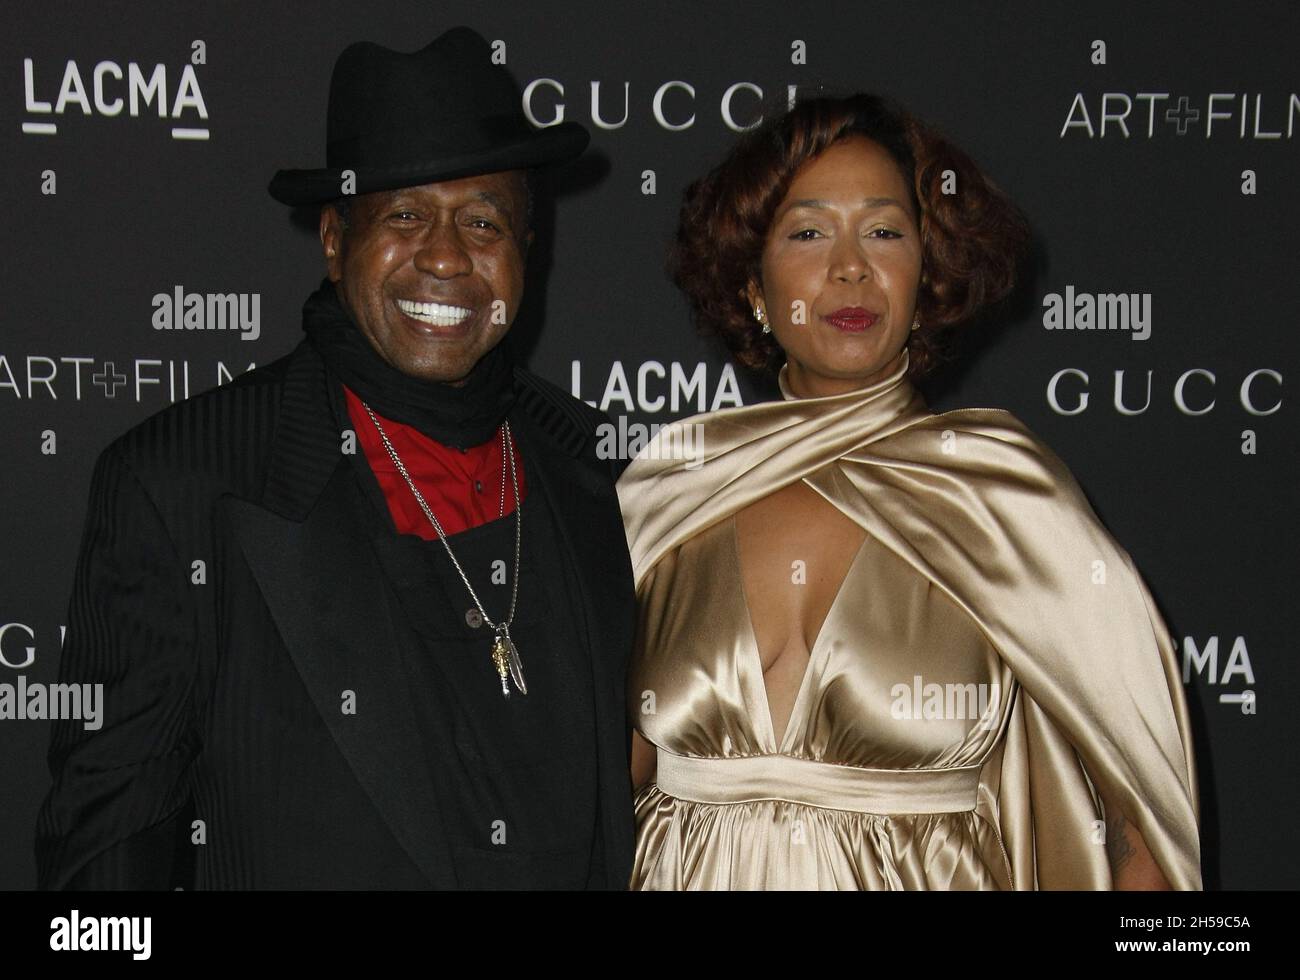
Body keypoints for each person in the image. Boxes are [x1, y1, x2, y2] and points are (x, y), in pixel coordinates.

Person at [35, 26, 636, 890]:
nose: (444, 254)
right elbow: (104, 862)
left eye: (483, 220)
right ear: (331, 238)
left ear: (526, 252)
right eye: (403, 216)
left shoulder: (600, 472)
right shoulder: (185, 483)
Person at [617, 92, 1201, 890]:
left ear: (926, 274)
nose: (850, 266)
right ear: (755, 284)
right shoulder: (669, 491)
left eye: (885, 232)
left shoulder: (1001, 495)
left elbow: (1142, 835)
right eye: (809, 232)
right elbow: (598, 793)